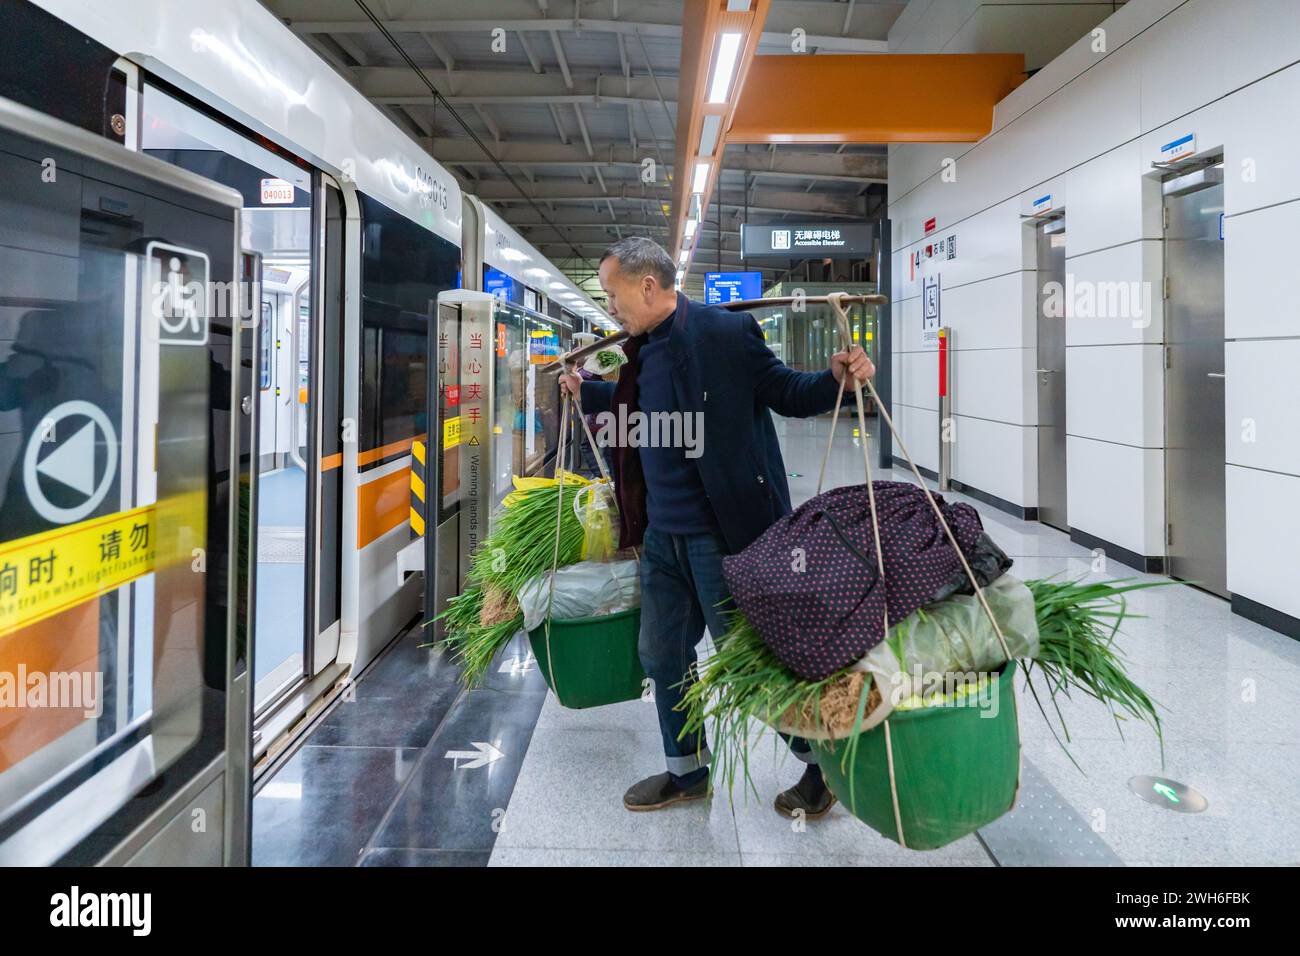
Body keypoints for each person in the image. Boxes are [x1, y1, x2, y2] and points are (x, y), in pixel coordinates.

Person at [560, 236, 874, 817]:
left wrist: (835, 380)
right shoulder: (641, 348)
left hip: (722, 539)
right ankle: (686, 773)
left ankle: (821, 765)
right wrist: (589, 390)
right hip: (661, 539)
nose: (610, 307)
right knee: (661, 656)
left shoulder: (724, 335)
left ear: (647, 286)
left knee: (746, 665)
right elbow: (645, 412)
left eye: (612, 294)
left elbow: (785, 392)